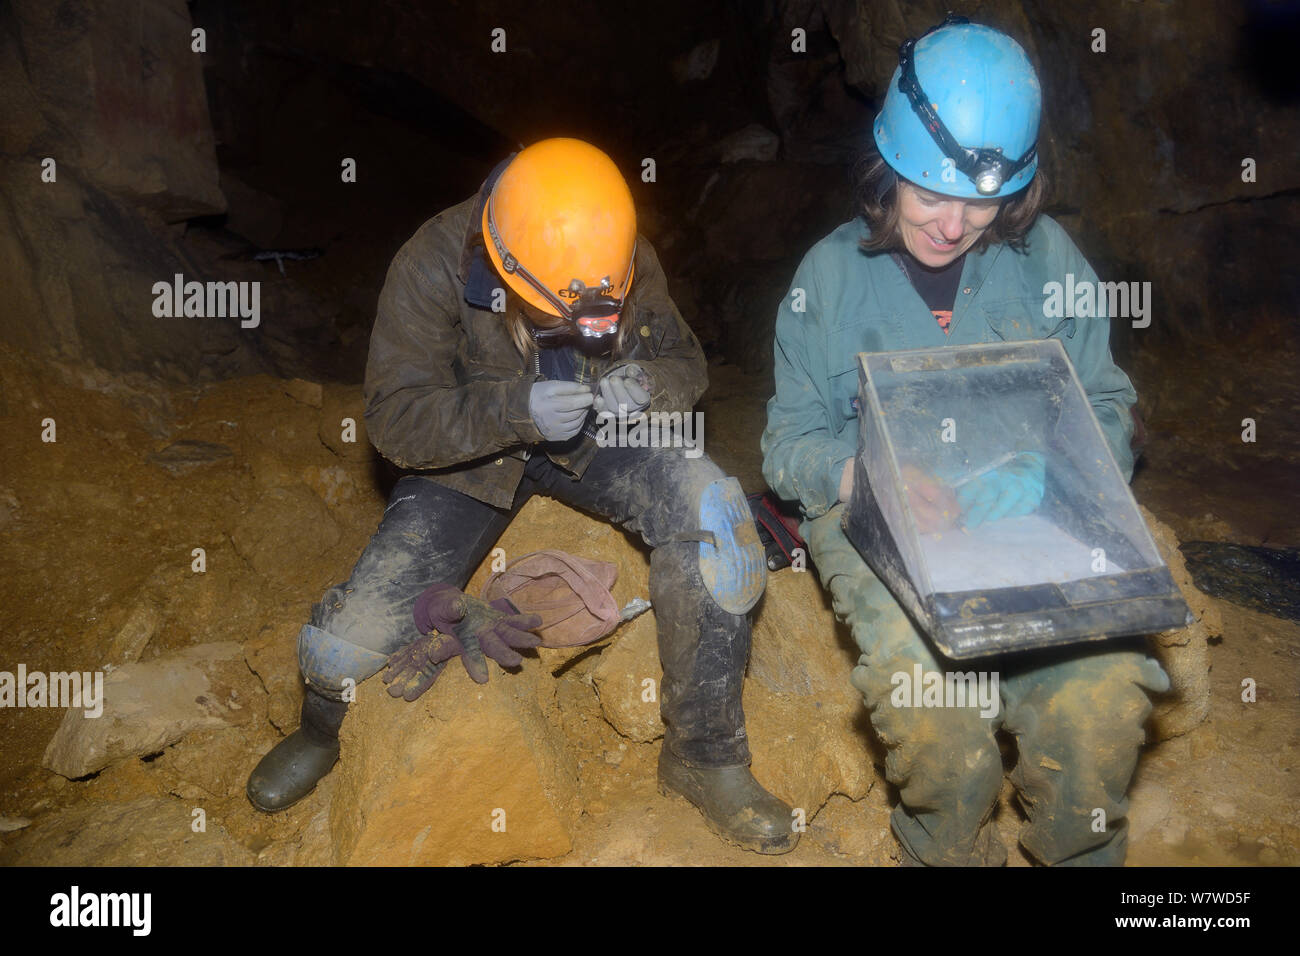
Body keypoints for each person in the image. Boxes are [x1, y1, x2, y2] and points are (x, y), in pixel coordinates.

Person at [246, 137, 798, 855]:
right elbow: (395, 420)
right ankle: (318, 728)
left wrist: (646, 387)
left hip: (599, 440)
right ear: (506, 270)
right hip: (470, 459)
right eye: (558, 315)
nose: (582, 329)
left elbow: (683, 361)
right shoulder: (433, 260)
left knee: (716, 514)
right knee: (342, 651)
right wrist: (517, 410)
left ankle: (705, 755)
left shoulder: (610, 242)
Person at [761, 17, 1169, 866]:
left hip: (1032, 521)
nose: (954, 223)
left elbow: (1106, 401)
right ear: (887, 172)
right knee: (933, 712)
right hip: (878, 520)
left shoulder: (1050, 261)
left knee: (1102, 697)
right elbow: (787, 442)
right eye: (931, 194)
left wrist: (1048, 471)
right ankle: (944, 851)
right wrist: (860, 474)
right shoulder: (826, 280)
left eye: (981, 200)